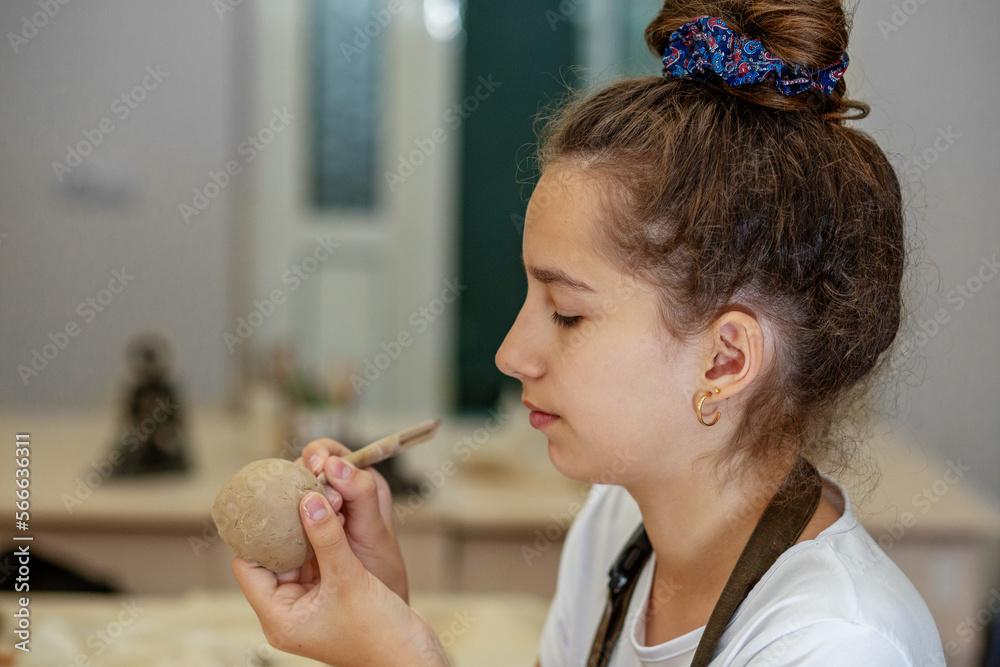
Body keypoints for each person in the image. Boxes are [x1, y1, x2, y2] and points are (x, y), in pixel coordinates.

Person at [232, 1, 947, 664]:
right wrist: (382, 609)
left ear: (725, 360)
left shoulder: (837, 643)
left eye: (566, 313)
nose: (511, 354)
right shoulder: (618, 523)